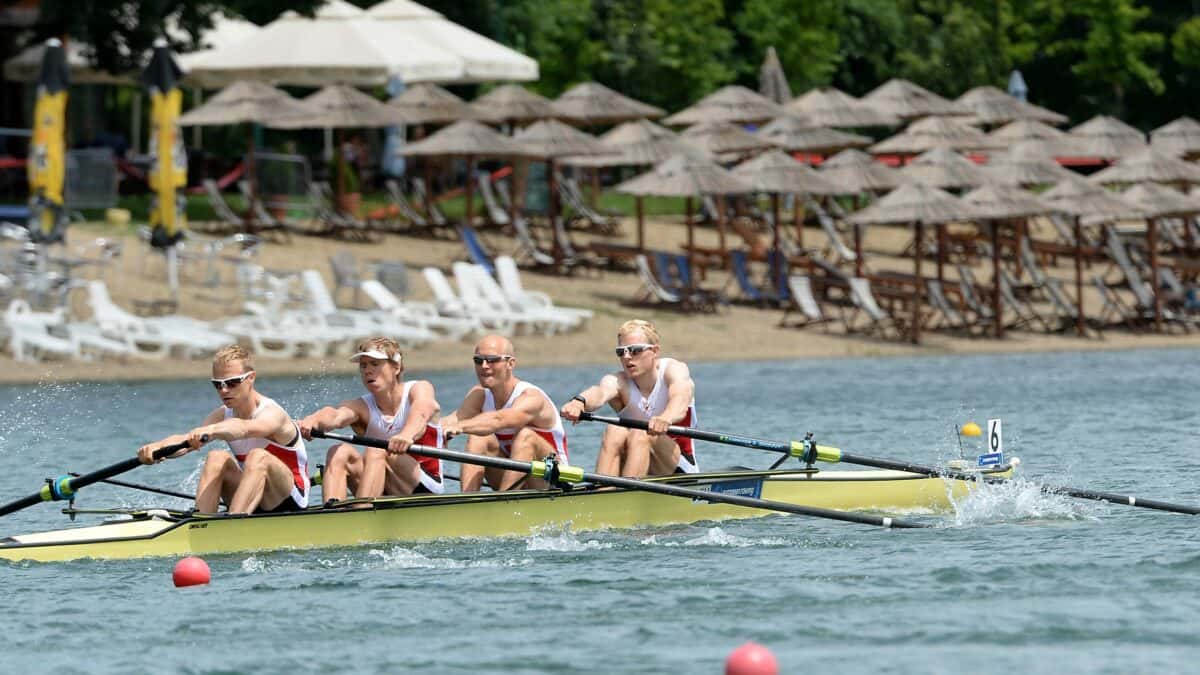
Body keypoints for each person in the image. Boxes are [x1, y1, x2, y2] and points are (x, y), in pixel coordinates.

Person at [137, 345, 310, 514]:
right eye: (217, 385)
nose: (224, 390)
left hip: (289, 499)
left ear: (251, 378)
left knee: (258, 456)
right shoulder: (221, 415)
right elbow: (186, 441)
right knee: (216, 457)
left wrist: (212, 430)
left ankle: (234, 523)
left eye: (232, 383)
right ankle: (202, 522)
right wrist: (157, 448)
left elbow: (244, 428)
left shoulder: (272, 413)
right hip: (253, 496)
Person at [299, 337, 443, 503]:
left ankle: (362, 513)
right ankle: (334, 516)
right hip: (383, 488)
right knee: (339, 451)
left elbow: (423, 410)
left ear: (396, 367)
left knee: (376, 450)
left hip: (425, 487)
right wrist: (312, 420)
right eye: (363, 365)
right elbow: (335, 416)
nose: (367, 370)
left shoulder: (419, 389)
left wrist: (406, 435)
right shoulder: (361, 406)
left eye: (375, 364)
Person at [560, 319, 699, 477]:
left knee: (641, 433)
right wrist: (579, 402)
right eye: (621, 352)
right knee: (614, 430)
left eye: (635, 350)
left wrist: (666, 417)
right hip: (637, 468)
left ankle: (625, 494)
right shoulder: (619, 381)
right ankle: (603, 492)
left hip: (679, 469)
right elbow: (599, 393)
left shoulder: (674, 370)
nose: (626, 357)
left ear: (655, 351)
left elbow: (679, 399)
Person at [441, 334, 567, 492]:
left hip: (551, 481)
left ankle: (502, 503)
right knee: (479, 438)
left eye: (492, 360)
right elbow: (452, 420)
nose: (484, 366)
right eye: (478, 360)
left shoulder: (531, 397)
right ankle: (468, 503)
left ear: (510, 363)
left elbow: (498, 420)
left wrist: (460, 427)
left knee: (526, 436)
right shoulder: (478, 395)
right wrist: (414, 431)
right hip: (514, 480)